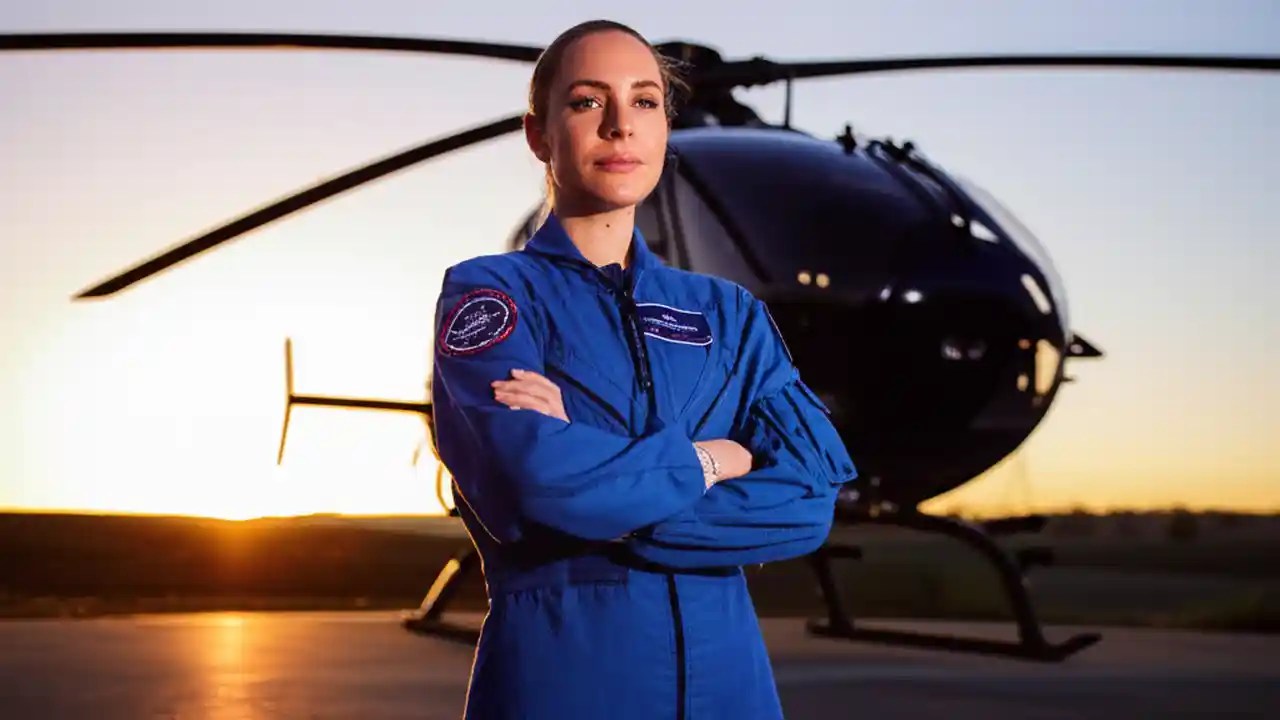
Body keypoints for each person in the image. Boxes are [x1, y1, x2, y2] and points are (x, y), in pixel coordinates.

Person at [430, 19, 857, 719]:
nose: (621, 126)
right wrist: (712, 462)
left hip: (734, 694)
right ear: (539, 134)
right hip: (564, 688)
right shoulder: (491, 293)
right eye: (588, 101)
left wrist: (609, 494)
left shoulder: (731, 313)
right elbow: (534, 481)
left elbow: (809, 503)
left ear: (665, 128)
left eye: (646, 102)